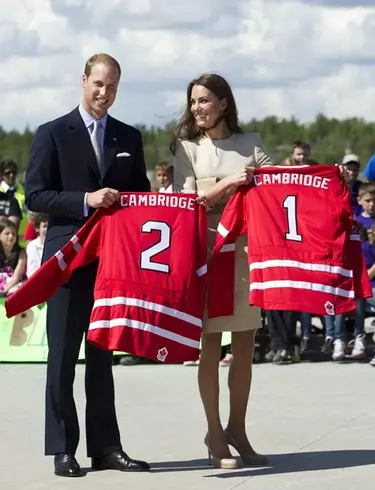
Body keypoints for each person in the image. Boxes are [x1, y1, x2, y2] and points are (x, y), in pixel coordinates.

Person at [25, 53, 151, 478]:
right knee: (61, 359)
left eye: (112, 87)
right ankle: (63, 448)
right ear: (83, 81)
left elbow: (141, 198)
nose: (104, 93)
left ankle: (107, 448)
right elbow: (36, 196)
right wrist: (86, 201)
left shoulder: (129, 138)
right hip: (66, 261)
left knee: (102, 358)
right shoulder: (53, 133)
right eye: (98, 84)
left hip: (111, 264)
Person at [172, 73, 271, 469]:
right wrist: (230, 183)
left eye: (205, 101)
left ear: (224, 103)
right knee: (210, 349)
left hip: (248, 257)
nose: (198, 108)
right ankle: (215, 435)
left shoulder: (252, 144)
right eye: (193, 101)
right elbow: (187, 202)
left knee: (244, 351)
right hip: (208, 256)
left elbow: (276, 187)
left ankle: (238, 430)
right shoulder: (187, 148)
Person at [0, 218, 26, 296]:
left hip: (13, 283)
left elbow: (16, 277)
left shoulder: (21, 252)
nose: (11, 236)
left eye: (13, 234)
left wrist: (4, 291)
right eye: (7, 233)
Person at [26, 213, 49, 277]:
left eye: (49, 227)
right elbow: (31, 271)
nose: (47, 229)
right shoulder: (32, 246)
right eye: (44, 226)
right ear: (37, 228)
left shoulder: (57, 244)